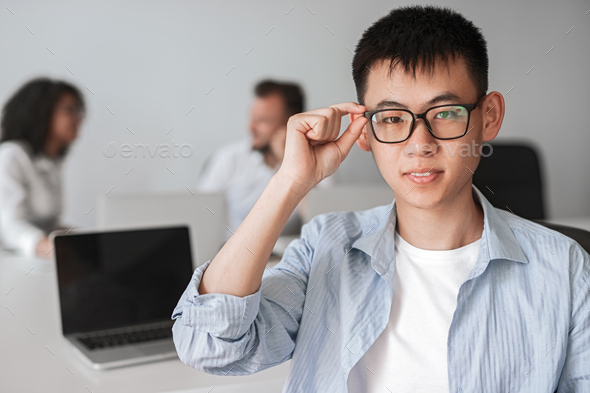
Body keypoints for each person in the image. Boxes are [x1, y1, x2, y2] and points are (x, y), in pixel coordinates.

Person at [172, 5, 589, 392]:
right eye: (391, 119)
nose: (419, 145)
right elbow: (210, 343)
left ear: (489, 116)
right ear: (365, 131)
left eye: (445, 113)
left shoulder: (564, 268)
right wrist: (289, 182)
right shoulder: (325, 247)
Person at [195, 79, 332, 237]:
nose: (251, 127)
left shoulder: (318, 160)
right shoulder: (229, 158)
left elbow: (325, 223)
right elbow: (200, 217)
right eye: (252, 118)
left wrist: (290, 162)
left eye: (263, 120)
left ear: (292, 123)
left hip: (288, 255)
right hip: (234, 253)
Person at [0, 78, 85, 258]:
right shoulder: (11, 155)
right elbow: (9, 228)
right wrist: (57, 250)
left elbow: (49, 225)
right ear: (41, 112)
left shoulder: (52, 163)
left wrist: (88, 240)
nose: (78, 118)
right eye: (70, 110)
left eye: (79, 110)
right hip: (11, 266)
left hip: (41, 264)